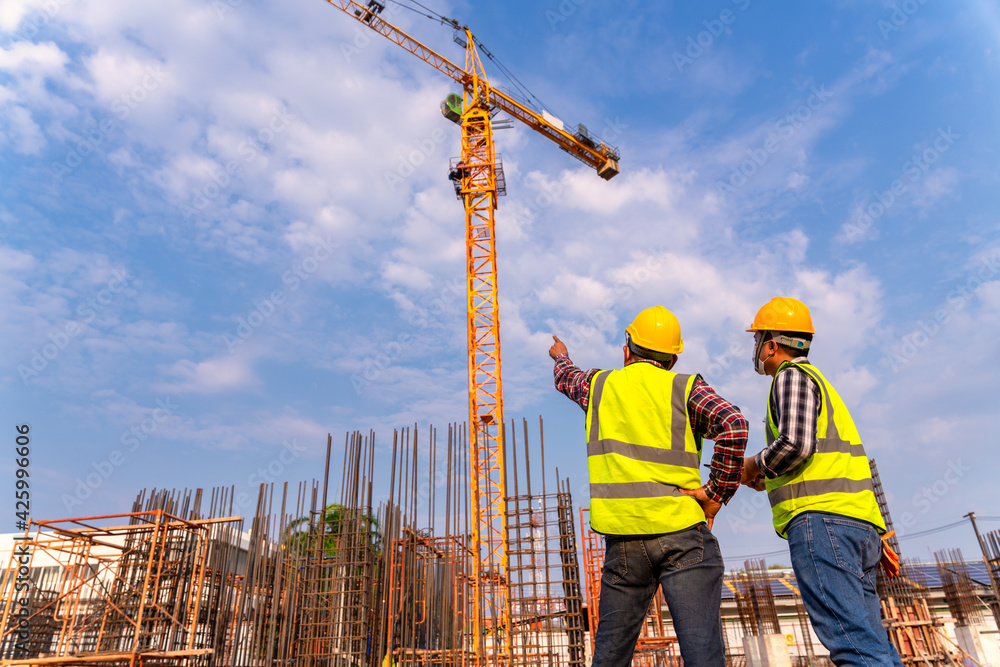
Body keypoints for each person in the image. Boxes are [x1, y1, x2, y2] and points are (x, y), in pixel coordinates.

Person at [549, 305, 748, 667]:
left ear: (627, 350)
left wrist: (561, 355)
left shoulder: (599, 386)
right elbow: (733, 424)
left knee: (609, 657)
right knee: (702, 655)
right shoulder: (685, 387)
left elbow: (567, 378)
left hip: (624, 541)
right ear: (673, 358)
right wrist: (716, 494)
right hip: (682, 533)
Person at [741, 297, 903, 667]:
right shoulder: (821, 384)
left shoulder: (791, 377)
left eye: (756, 340)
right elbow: (814, 456)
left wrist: (751, 466)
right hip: (858, 527)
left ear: (771, 344)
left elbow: (795, 445)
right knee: (873, 645)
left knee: (854, 647)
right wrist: (770, 477)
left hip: (824, 525)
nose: (755, 349)